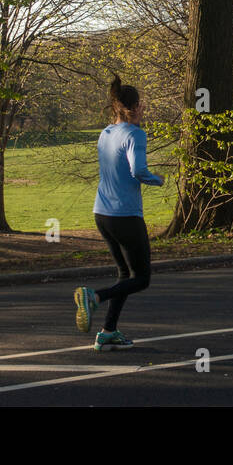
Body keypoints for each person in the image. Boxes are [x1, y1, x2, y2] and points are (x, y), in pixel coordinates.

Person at [73, 75, 164, 351]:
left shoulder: (106, 133)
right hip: (125, 215)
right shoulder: (136, 134)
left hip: (102, 213)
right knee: (141, 278)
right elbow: (137, 170)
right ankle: (94, 297)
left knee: (125, 274)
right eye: (141, 106)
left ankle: (108, 332)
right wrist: (156, 180)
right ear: (135, 107)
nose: (143, 110)